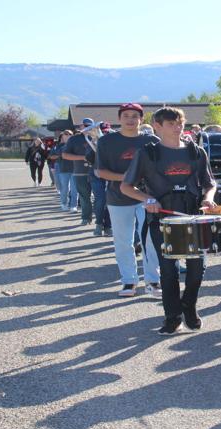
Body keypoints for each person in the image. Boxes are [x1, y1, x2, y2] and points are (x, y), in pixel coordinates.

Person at [120, 107, 217, 334]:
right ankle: (172, 316)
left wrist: (208, 199)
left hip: (193, 215)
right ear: (157, 126)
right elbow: (126, 186)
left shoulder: (197, 152)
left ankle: (189, 306)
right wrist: (147, 199)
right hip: (162, 218)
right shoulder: (147, 153)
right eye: (171, 123)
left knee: (197, 268)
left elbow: (210, 183)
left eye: (180, 122)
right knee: (168, 270)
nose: (177, 126)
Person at [96, 102, 161, 297]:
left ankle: (153, 281)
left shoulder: (153, 141)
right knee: (123, 242)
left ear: (141, 119)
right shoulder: (107, 142)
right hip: (118, 197)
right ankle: (129, 281)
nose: (130, 120)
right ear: (119, 119)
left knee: (149, 240)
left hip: (146, 197)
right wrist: (127, 177)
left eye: (135, 116)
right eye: (126, 116)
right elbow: (100, 171)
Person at [62, 118, 100, 229]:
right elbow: (65, 155)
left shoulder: (98, 137)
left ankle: (100, 220)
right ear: (80, 127)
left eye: (89, 125)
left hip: (97, 172)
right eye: (85, 125)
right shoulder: (74, 139)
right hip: (80, 172)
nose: (87, 128)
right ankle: (86, 217)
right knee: (84, 197)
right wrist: (83, 157)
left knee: (99, 197)